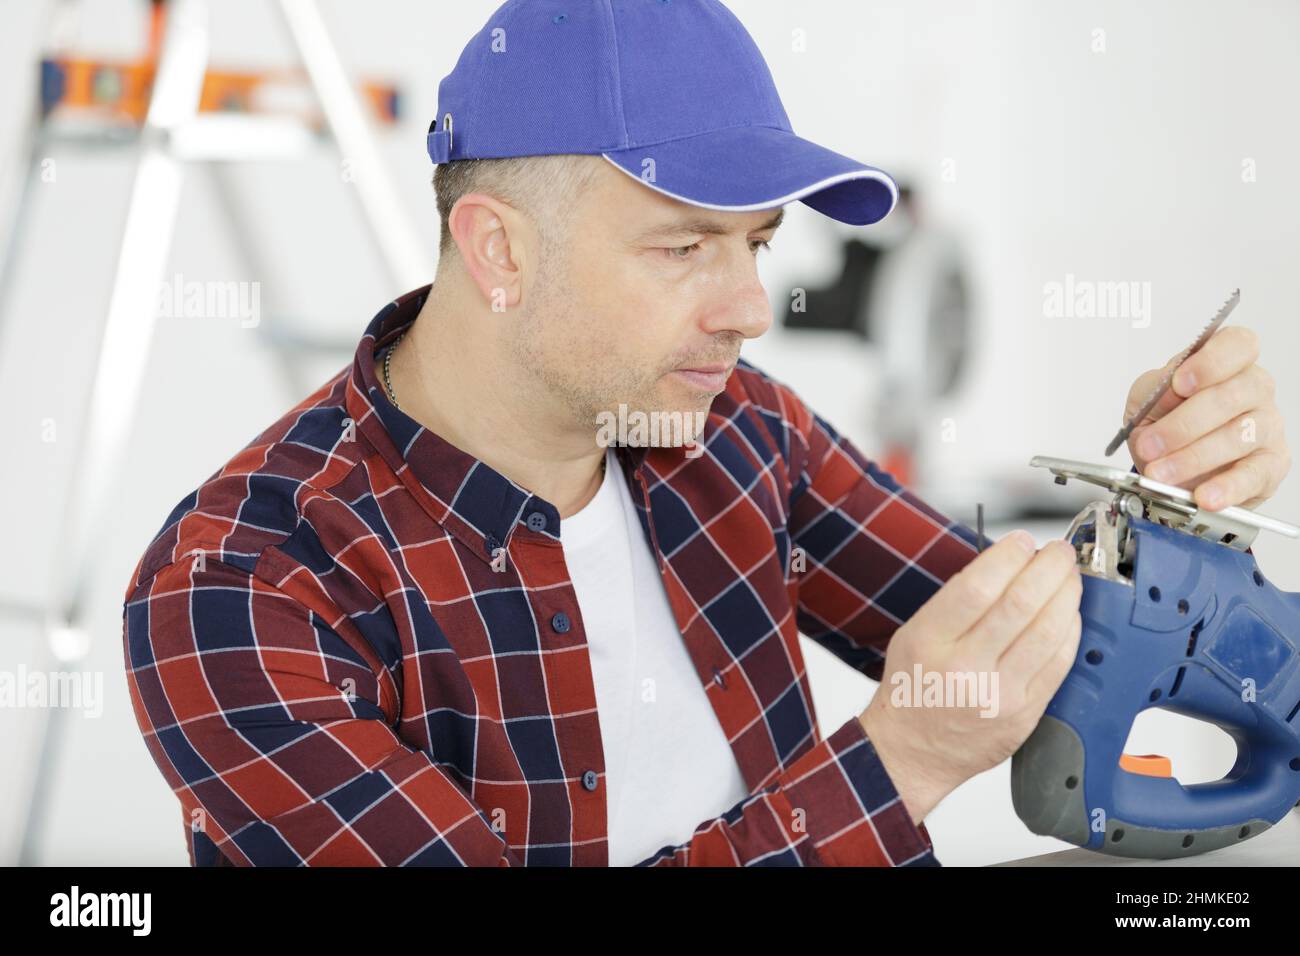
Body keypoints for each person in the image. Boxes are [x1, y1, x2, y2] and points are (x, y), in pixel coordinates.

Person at [121, 0, 1289, 866]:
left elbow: (1043, 651)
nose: (747, 309)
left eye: (758, 245)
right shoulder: (242, 591)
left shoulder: (733, 431)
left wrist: (1171, 509)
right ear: (499, 252)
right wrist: (900, 765)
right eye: (683, 246)